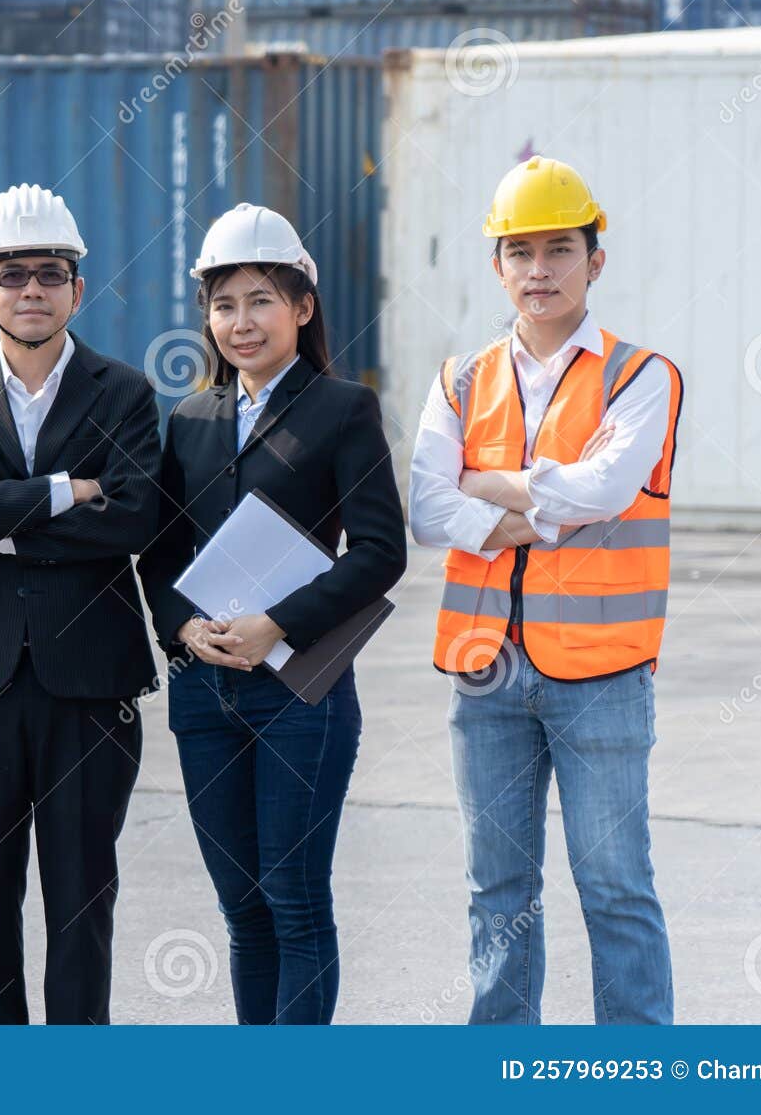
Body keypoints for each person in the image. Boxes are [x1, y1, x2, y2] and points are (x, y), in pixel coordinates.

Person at [408, 155, 683, 1024]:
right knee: (496, 889)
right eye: (519, 251)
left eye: (559, 249)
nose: (539, 269)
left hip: (602, 673)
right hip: (484, 670)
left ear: (595, 260)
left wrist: (485, 486)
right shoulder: (460, 379)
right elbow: (425, 508)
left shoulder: (641, 375)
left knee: (615, 888)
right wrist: (548, 502)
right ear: (497, 266)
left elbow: (607, 490)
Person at [138, 203, 406, 1024]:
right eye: (224, 304)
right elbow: (159, 553)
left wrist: (278, 622)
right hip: (205, 691)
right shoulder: (190, 419)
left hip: (298, 694)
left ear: (303, 307)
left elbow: (379, 550)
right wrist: (183, 626)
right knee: (243, 907)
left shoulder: (342, 409)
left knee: (294, 899)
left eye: (261, 300)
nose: (241, 321)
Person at [0, 183, 160, 1024]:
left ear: (76, 289)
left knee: (83, 898)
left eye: (50, 273)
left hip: (91, 682)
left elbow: (133, 517)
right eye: (11, 274)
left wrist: (0, 513)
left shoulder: (123, 391)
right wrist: (67, 490)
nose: (31, 290)